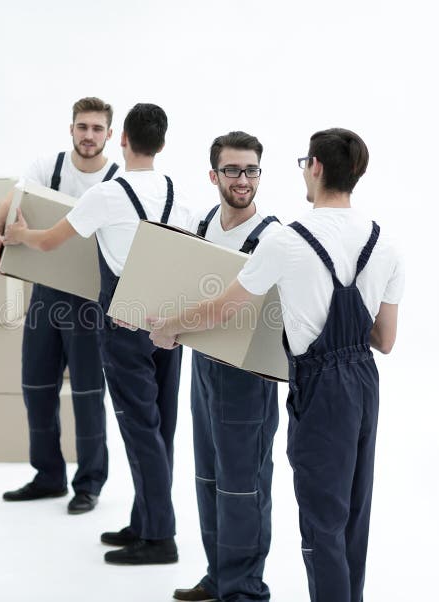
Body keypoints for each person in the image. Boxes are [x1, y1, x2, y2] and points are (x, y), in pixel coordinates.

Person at [149, 128, 404, 602]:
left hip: (317, 381)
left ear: (317, 168)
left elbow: (223, 308)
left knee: (320, 521)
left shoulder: (285, 241)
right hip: (363, 380)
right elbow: (384, 340)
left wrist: (169, 327)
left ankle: (244, 588)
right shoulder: (385, 244)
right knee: (352, 512)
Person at [2, 103, 194, 565]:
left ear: (122, 138)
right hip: (167, 326)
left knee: (139, 428)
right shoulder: (177, 195)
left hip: (124, 326)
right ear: (163, 145)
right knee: (160, 428)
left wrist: (22, 236)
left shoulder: (108, 194)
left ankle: (160, 539)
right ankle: (145, 520)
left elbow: (50, 242)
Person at [0, 97, 120, 515]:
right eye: (82, 127)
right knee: (36, 386)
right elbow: (7, 204)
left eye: (97, 129)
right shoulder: (49, 168)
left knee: (86, 393)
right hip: (46, 295)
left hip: (89, 303)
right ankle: (48, 476)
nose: (89, 136)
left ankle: (89, 483)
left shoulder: (116, 181)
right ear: (71, 129)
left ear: (110, 135)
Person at [173, 131, 282, 602]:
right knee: (209, 476)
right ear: (214, 174)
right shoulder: (203, 224)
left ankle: (245, 591)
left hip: (247, 377)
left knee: (244, 486)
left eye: (252, 170)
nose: (244, 179)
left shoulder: (273, 237)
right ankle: (218, 578)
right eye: (234, 170)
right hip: (205, 366)